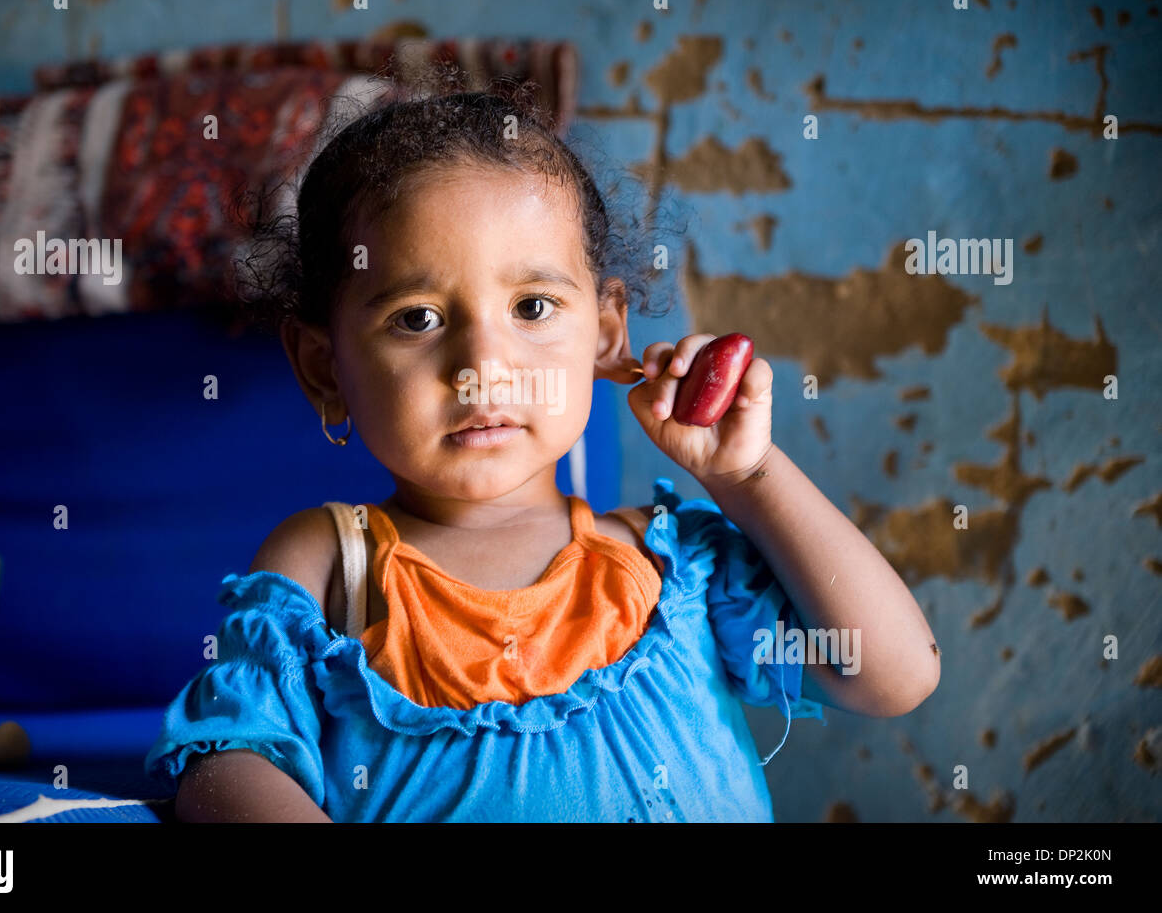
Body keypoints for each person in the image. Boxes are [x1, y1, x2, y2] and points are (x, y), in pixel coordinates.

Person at [143, 84, 940, 822]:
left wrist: (748, 475)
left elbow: (894, 673)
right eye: (417, 319)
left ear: (605, 331)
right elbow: (223, 763)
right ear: (325, 366)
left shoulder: (675, 568)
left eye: (532, 306)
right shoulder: (333, 567)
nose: (483, 365)